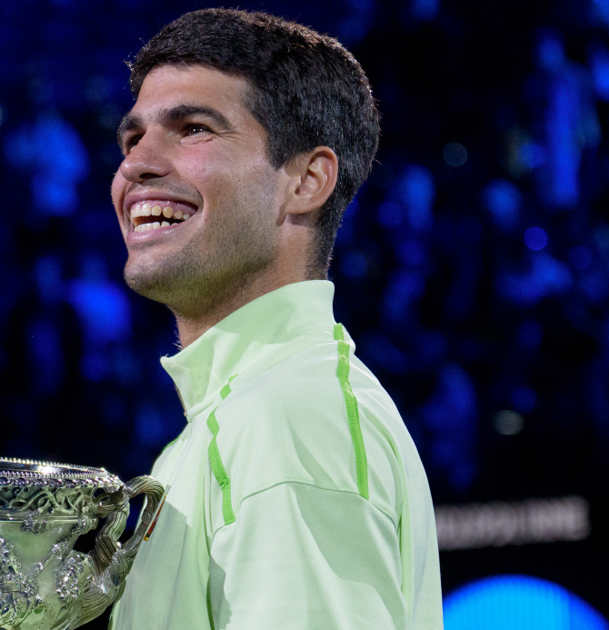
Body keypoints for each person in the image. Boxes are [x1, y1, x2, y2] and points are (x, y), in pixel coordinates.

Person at [106, 9, 443, 630]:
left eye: (194, 129)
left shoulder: (286, 418)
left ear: (307, 181)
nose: (136, 164)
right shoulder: (241, 418)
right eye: (132, 138)